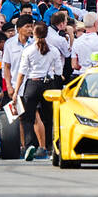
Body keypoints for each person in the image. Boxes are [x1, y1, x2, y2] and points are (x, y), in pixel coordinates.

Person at [15, 22, 64, 161]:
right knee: (49, 118)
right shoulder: (54, 50)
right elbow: (58, 71)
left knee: (28, 118)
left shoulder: (29, 50)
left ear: (34, 34)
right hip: (49, 84)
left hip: (32, 84)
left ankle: (31, 145)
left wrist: (16, 91)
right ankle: (48, 147)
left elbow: (22, 72)